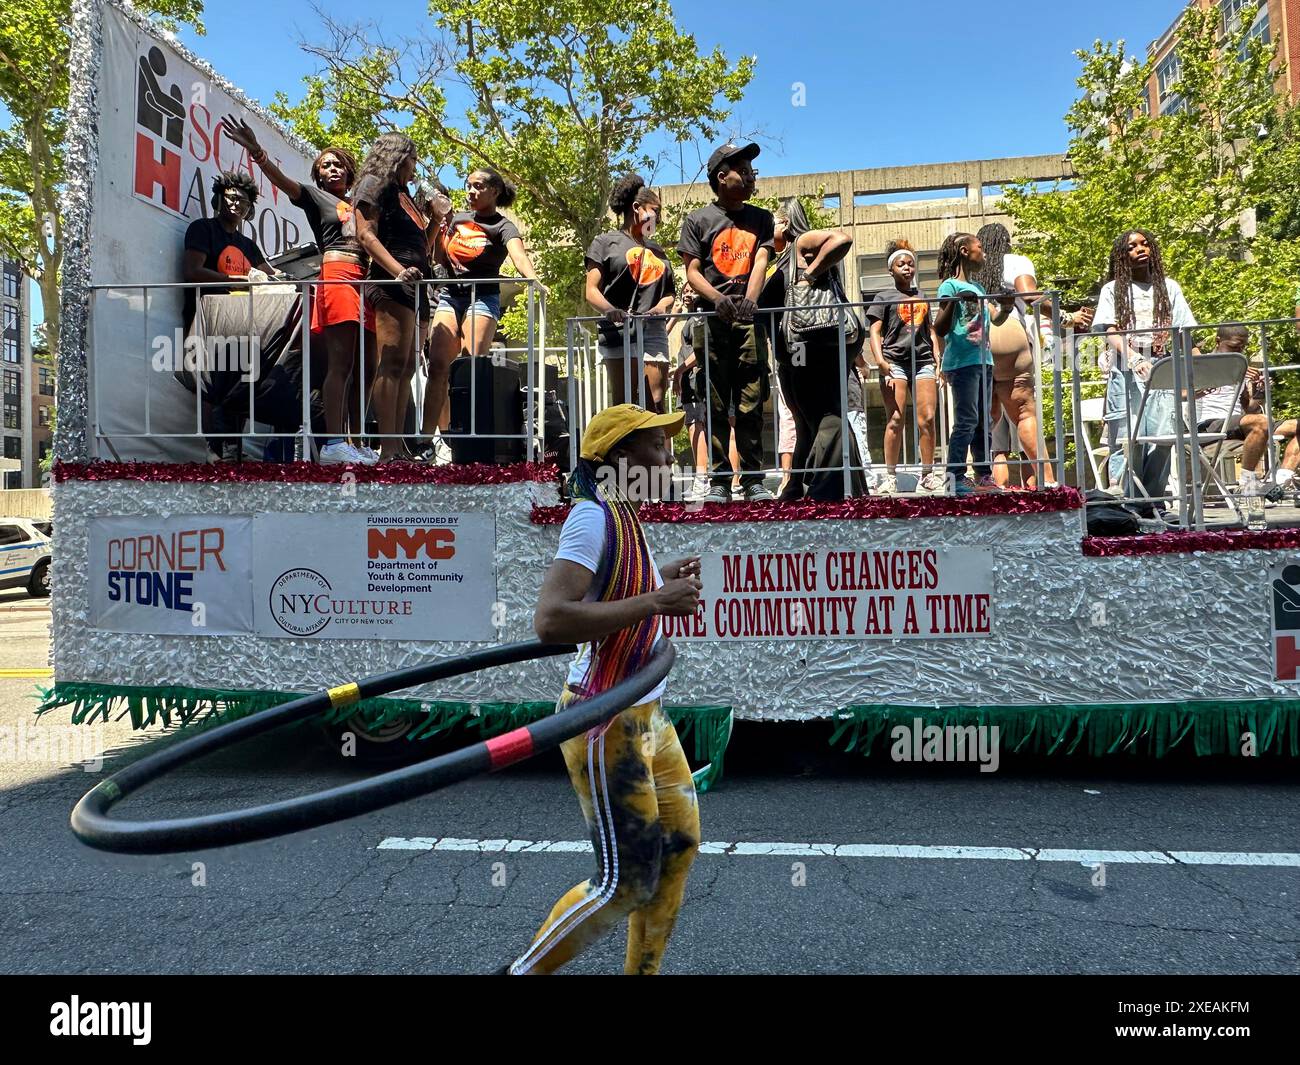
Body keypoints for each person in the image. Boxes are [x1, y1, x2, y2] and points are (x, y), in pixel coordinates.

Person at [510, 403, 702, 975]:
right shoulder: (591, 517)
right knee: (624, 883)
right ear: (622, 457)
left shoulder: (625, 514)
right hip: (602, 721)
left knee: (678, 848)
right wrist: (655, 600)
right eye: (658, 445)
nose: (670, 455)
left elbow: (610, 588)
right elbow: (552, 621)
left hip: (647, 715)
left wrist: (655, 576)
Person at [221, 117, 374, 466]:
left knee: (364, 368)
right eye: (324, 166)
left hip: (365, 281)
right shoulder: (314, 196)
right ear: (318, 176)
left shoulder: (360, 204)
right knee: (342, 363)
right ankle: (334, 444)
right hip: (337, 274)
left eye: (337, 164)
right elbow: (285, 183)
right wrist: (257, 152)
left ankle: (359, 442)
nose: (331, 170)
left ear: (349, 171)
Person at [678, 142, 776, 503]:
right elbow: (691, 270)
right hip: (710, 320)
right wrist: (717, 299)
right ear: (722, 177)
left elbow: (762, 259)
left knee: (751, 399)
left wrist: (750, 301)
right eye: (744, 170)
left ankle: (752, 479)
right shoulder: (698, 220)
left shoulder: (761, 218)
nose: (751, 177)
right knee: (715, 401)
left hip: (749, 322)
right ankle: (719, 480)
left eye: (753, 171)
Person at [423, 168, 543, 460]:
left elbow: (519, 256)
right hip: (450, 295)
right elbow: (437, 256)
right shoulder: (458, 219)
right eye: (469, 186)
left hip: (483, 297)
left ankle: (468, 438)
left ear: (494, 192)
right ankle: (432, 439)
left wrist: (534, 279)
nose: (472, 192)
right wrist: (437, 223)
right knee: (439, 364)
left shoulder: (503, 226)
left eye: (478, 187)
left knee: (468, 364)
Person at [760, 197, 862, 500]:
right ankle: (799, 485)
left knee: (823, 413)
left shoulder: (802, 242)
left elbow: (842, 239)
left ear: (787, 222)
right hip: (795, 350)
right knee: (805, 418)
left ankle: (828, 486)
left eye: (773, 223)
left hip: (812, 345)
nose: (770, 230)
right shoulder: (783, 257)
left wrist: (810, 273)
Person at [352, 134, 443, 462]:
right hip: (390, 282)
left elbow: (423, 247)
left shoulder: (405, 195)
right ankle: (387, 449)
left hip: (414, 285)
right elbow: (365, 234)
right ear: (397, 156)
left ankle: (399, 445)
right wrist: (397, 271)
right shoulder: (375, 184)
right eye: (413, 158)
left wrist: (436, 219)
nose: (415, 165)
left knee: (406, 367)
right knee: (391, 364)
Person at [1093, 229, 1199, 506]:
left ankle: (1151, 501)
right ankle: (1127, 503)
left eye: (1145, 244)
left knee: (1164, 437)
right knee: (1129, 439)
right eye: (1132, 247)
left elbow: (1185, 333)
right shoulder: (1113, 289)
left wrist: (1197, 367)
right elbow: (1110, 331)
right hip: (1126, 367)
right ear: (1122, 255)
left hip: (1162, 364)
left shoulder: (1169, 286)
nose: (1140, 249)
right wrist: (1133, 358)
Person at [181, 170, 274, 461]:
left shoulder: (249, 246)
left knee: (242, 386)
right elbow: (192, 272)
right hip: (206, 317)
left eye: (244, 201)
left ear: (250, 209)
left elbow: (270, 277)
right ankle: (213, 451)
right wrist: (239, 281)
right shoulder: (202, 229)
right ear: (218, 198)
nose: (237, 204)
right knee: (211, 386)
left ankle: (234, 452)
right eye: (232, 197)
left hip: (245, 323)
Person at [585, 174, 676, 411]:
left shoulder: (658, 250)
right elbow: (591, 290)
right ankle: (627, 448)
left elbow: (669, 292)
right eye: (655, 211)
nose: (659, 218)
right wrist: (610, 310)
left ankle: (656, 448)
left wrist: (662, 307)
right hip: (618, 329)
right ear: (637, 208)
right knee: (626, 403)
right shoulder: (604, 242)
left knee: (655, 403)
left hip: (653, 330)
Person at [934, 232, 1013, 496]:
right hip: (962, 362)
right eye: (980, 248)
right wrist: (956, 302)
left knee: (983, 420)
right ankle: (955, 474)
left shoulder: (979, 288)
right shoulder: (949, 287)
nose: (985, 253)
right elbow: (940, 327)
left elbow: (996, 319)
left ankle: (983, 474)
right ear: (965, 251)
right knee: (967, 419)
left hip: (984, 361)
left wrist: (1007, 307)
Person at [867, 239, 943, 494]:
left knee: (928, 419)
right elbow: (874, 332)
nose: (907, 268)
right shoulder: (883, 296)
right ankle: (890, 476)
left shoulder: (920, 295)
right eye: (901, 264)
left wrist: (937, 357)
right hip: (894, 361)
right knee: (896, 418)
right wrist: (880, 361)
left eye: (911, 264)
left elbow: (930, 330)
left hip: (922, 361)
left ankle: (928, 474)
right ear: (891, 270)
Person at [1193, 324, 1300, 501]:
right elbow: (1179, 395)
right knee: (1260, 422)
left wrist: (1260, 392)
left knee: (1295, 425)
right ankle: (1247, 485)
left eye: (1242, 347)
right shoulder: (1201, 365)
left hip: (1240, 423)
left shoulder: (1240, 366)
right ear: (1217, 341)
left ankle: (1280, 483)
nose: (1239, 351)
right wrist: (1200, 389)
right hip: (1210, 425)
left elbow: (1249, 409)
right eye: (1234, 347)